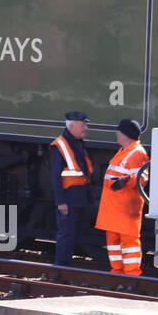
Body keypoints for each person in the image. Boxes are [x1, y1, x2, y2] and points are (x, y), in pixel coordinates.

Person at [95, 118, 149, 275]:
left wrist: (125, 180)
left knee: (129, 242)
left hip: (125, 207)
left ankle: (132, 274)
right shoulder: (125, 151)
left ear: (127, 134)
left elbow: (142, 177)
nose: (116, 133)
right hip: (114, 207)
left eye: (119, 130)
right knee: (113, 242)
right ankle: (117, 273)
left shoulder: (137, 152)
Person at [48, 111, 94, 266]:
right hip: (68, 199)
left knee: (73, 234)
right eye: (83, 125)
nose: (85, 128)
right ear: (72, 125)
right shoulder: (60, 146)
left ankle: (66, 266)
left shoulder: (78, 143)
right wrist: (60, 202)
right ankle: (61, 267)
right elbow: (55, 177)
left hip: (78, 198)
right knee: (66, 234)